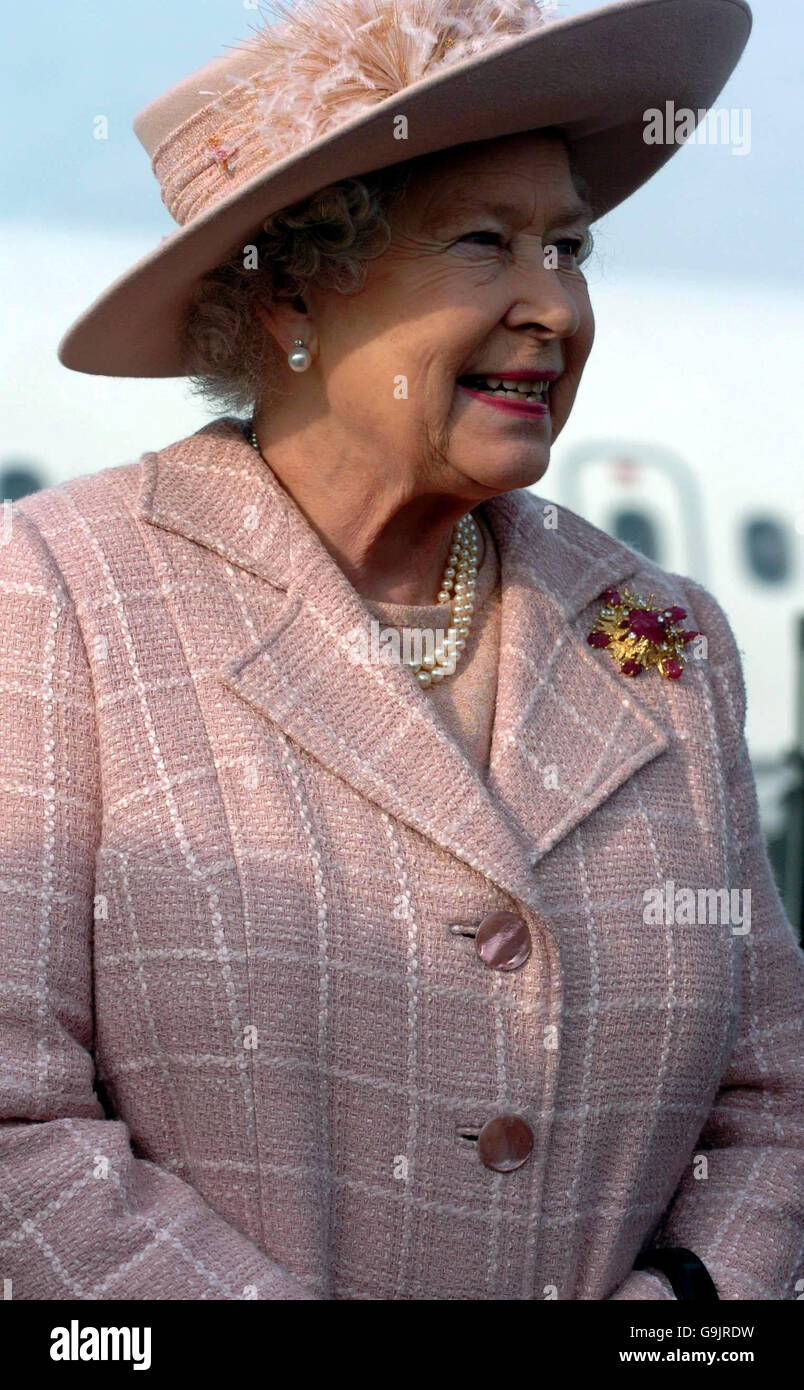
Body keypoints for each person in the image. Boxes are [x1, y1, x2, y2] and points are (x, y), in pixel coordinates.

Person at [1, 0, 801, 1301]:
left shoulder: (661, 638)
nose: (555, 305)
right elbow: (15, 1127)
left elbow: (776, 1112)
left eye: (571, 245)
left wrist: (686, 1327)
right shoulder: (61, 594)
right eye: (486, 242)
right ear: (293, 292)